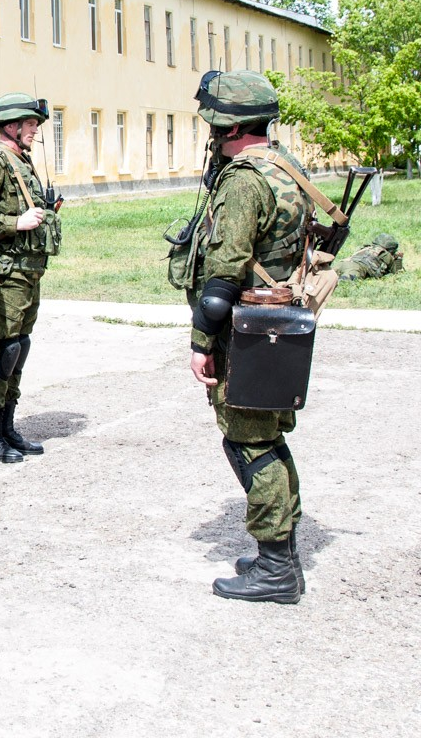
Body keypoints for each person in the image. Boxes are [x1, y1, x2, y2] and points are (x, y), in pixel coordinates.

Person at [187, 70, 310, 604]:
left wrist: (199, 341)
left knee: (249, 442)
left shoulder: (244, 179)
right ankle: (280, 553)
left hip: (247, 328)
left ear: (227, 126)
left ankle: (276, 567)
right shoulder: (287, 168)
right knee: (267, 437)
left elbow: (221, 279)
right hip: (279, 324)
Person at [0, 93, 59, 463]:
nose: (35, 132)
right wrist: (16, 223)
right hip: (7, 272)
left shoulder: (21, 162)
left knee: (19, 348)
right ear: (11, 125)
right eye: (30, 125)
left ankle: (7, 425)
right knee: (5, 350)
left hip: (28, 271)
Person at [333, 233, 403, 281]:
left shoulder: (366, 247)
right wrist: (398, 259)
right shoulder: (386, 254)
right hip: (357, 267)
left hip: (343, 262)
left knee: (325, 276)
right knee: (344, 281)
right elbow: (398, 272)